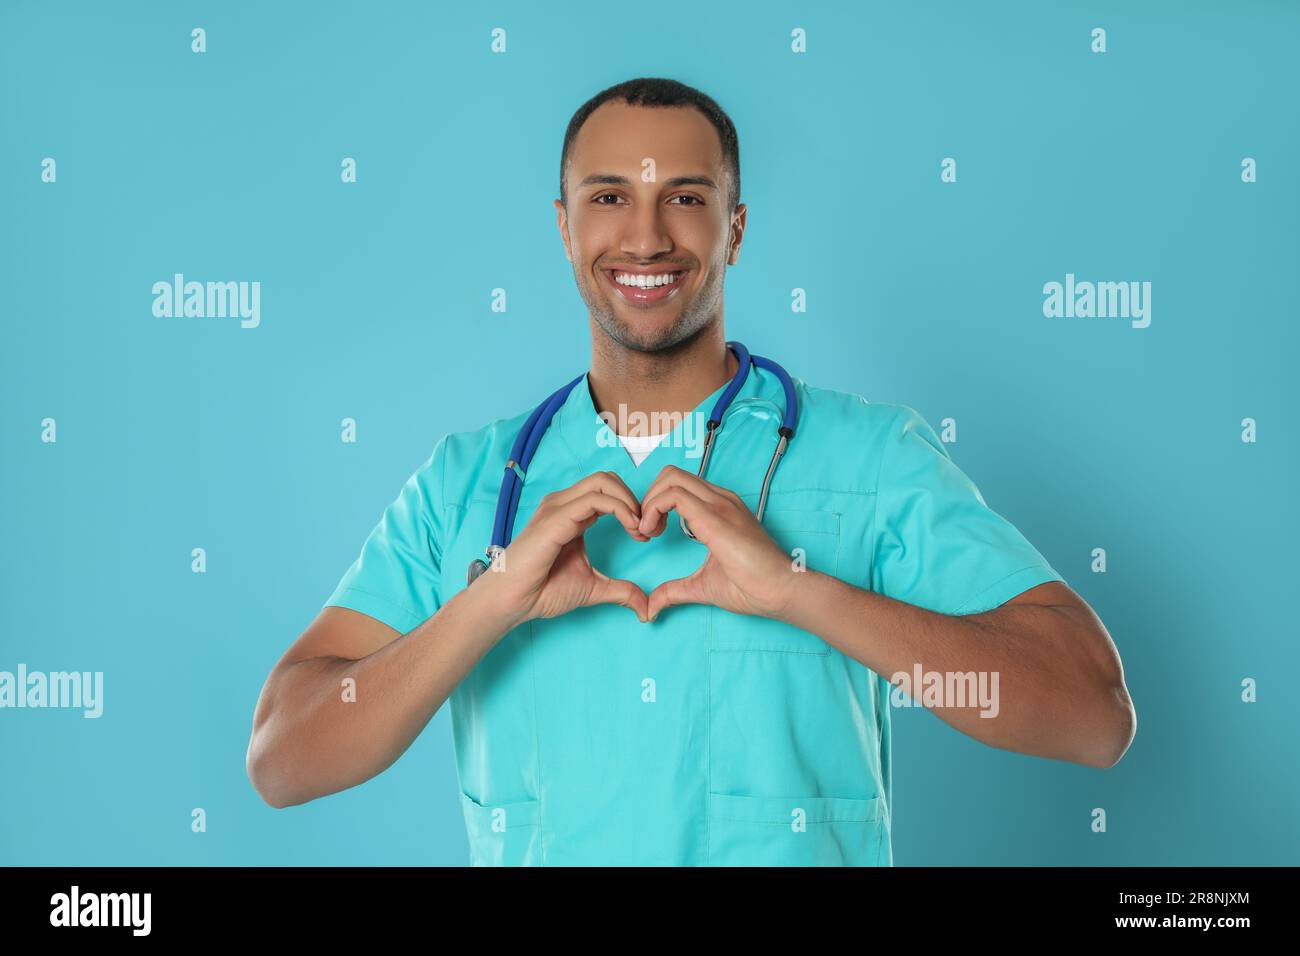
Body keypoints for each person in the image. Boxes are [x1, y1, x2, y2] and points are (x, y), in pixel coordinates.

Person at [246, 77, 1136, 866]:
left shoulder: (869, 457)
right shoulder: (468, 483)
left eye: (684, 196)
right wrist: (494, 600)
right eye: (608, 196)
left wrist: (799, 592)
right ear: (563, 226)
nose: (645, 236)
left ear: (734, 228)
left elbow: (1092, 717)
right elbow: (285, 759)